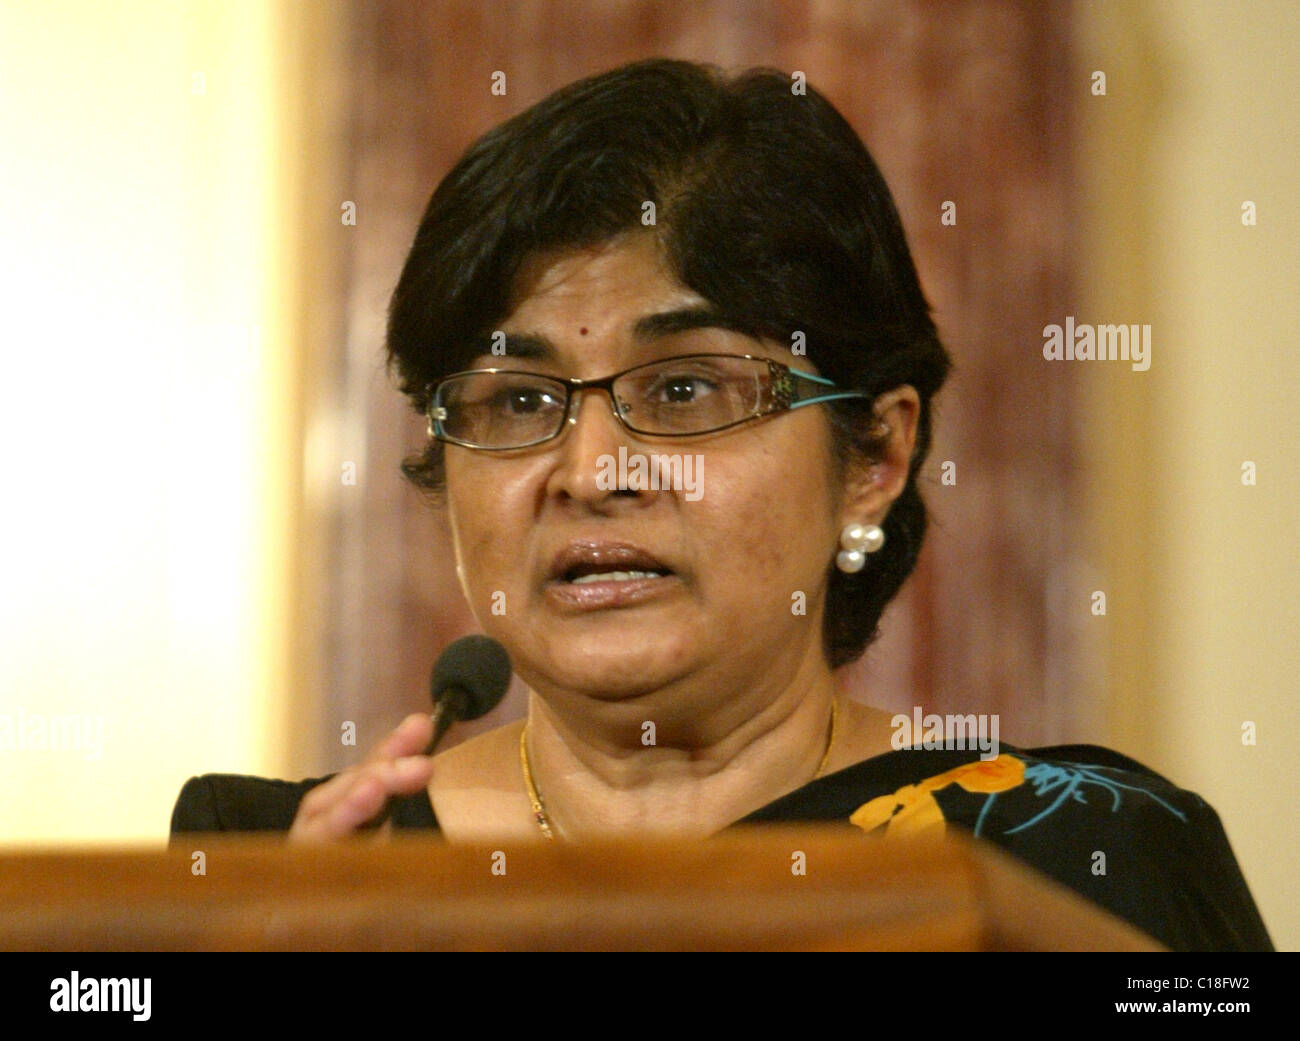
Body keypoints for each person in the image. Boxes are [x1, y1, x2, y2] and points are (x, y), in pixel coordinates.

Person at [171, 58, 1273, 952]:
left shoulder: (1069, 851)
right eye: (515, 400)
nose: (591, 468)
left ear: (875, 458)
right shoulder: (276, 866)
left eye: (684, 389)